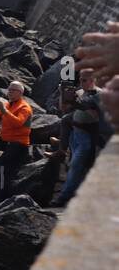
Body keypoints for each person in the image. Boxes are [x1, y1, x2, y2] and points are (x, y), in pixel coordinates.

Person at [53, 71, 103, 206]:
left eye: (85, 80)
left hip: (88, 136)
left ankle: (64, 197)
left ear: (93, 79)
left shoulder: (99, 94)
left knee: (76, 165)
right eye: (80, 80)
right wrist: (62, 94)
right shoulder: (80, 92)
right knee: (76, 166)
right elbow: (63, 108)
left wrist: (79, 104)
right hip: (75, 133)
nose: (81, 83)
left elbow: (96, 116)